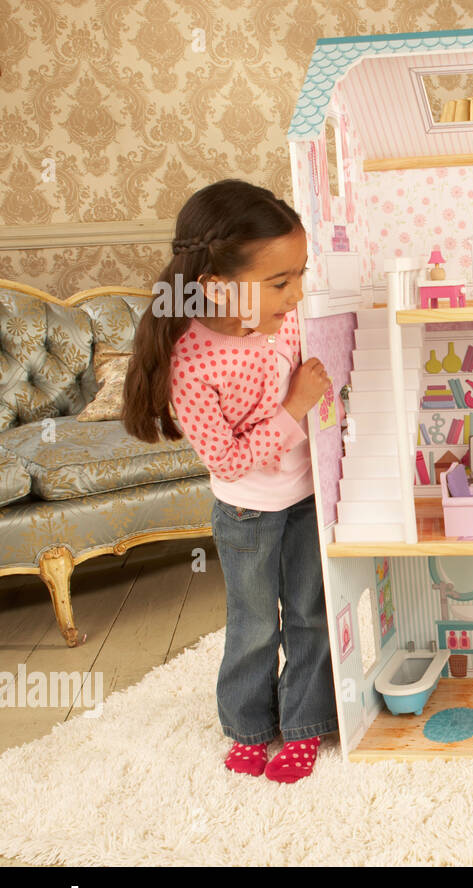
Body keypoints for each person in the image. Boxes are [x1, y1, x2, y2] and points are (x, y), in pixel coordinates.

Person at [123, 179, 336, 783]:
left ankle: (304, 724)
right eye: (279, 283)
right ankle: (247, 726)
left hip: (307, 500)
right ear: (216, 286)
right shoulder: (191, 358)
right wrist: (294, 408)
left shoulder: (285, 322)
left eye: (299, 275)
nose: (296, 295)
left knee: (309, 614)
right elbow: (229, 461)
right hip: (247, 513)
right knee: (253, 625)